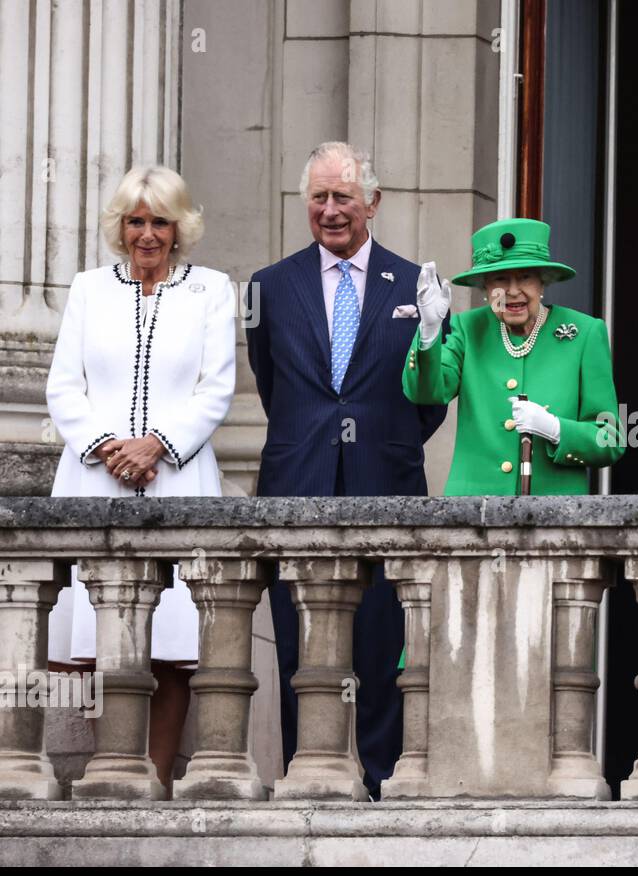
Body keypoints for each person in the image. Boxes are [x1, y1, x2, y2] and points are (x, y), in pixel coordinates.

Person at [245, 141, 447, 798]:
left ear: (373, 203)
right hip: (296, 487)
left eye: (344, 198)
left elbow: (430, 400)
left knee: (383, 645)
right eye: (320, 198)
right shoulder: (269, 287)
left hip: (386, 486)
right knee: (304, 649)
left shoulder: (415, 283)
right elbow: (276, 387)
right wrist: (320, 438)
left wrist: (375, 442)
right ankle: (311, 778)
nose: (331, 211)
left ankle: (385, 783)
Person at [45, 165, 236, 795]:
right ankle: (112, 771)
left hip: (179, 480)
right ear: (120, 226)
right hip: (95, 481)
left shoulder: (211, 289)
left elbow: (216, 389)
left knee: (174, 638)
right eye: (136, 220)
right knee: (102, 635)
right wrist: (108, 447)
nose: (147, 234)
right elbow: (63, 386)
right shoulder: (88, 289)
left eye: (159, 221)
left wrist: (159, 445)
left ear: (180, 226)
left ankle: (153, 778)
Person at [402, 217, 623, 494]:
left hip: (555, 515)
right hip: (474, 511)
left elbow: (610, 439)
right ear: (484, 288)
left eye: (526, 277)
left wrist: (556, 429)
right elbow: (427, 392)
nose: (513, 291)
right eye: (500, 279)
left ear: (542, 283)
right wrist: (429, 332)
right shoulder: (469, 329)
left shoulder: (585, 333)